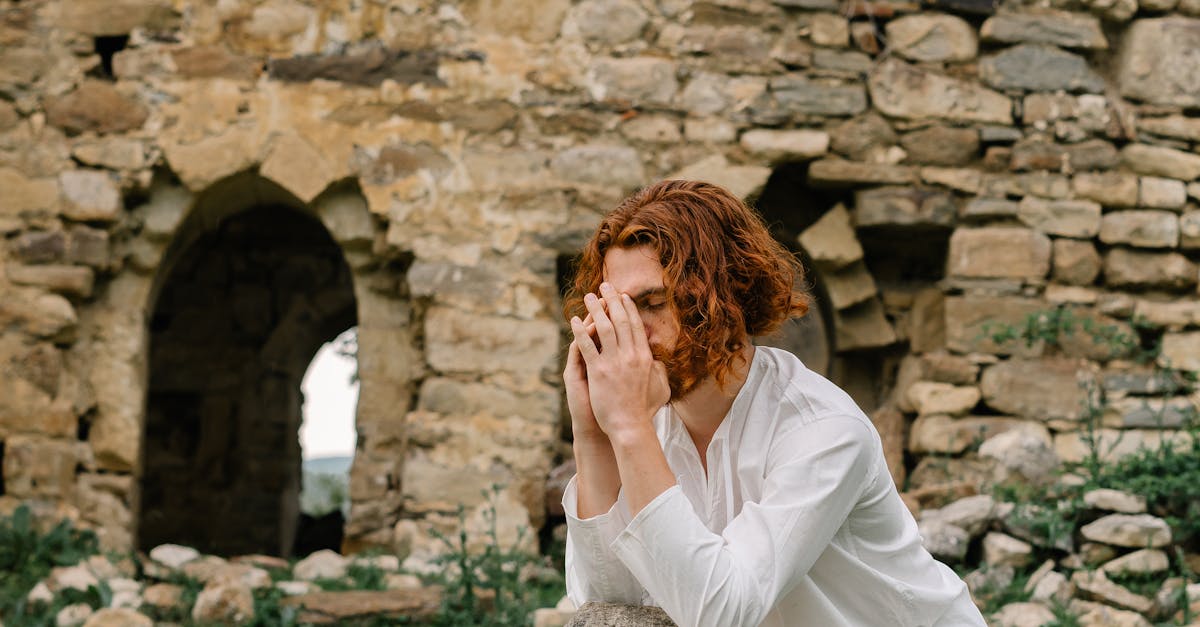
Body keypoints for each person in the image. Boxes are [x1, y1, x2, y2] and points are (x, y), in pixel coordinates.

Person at [560, 180, 986, 626]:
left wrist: (629, 428)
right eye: (616, 311)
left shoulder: (823, 430)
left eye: (654, 303)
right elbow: (607, 606)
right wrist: (593, 435)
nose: (631, 335)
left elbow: (723, 612)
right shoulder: (650, 425)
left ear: (726, 296)